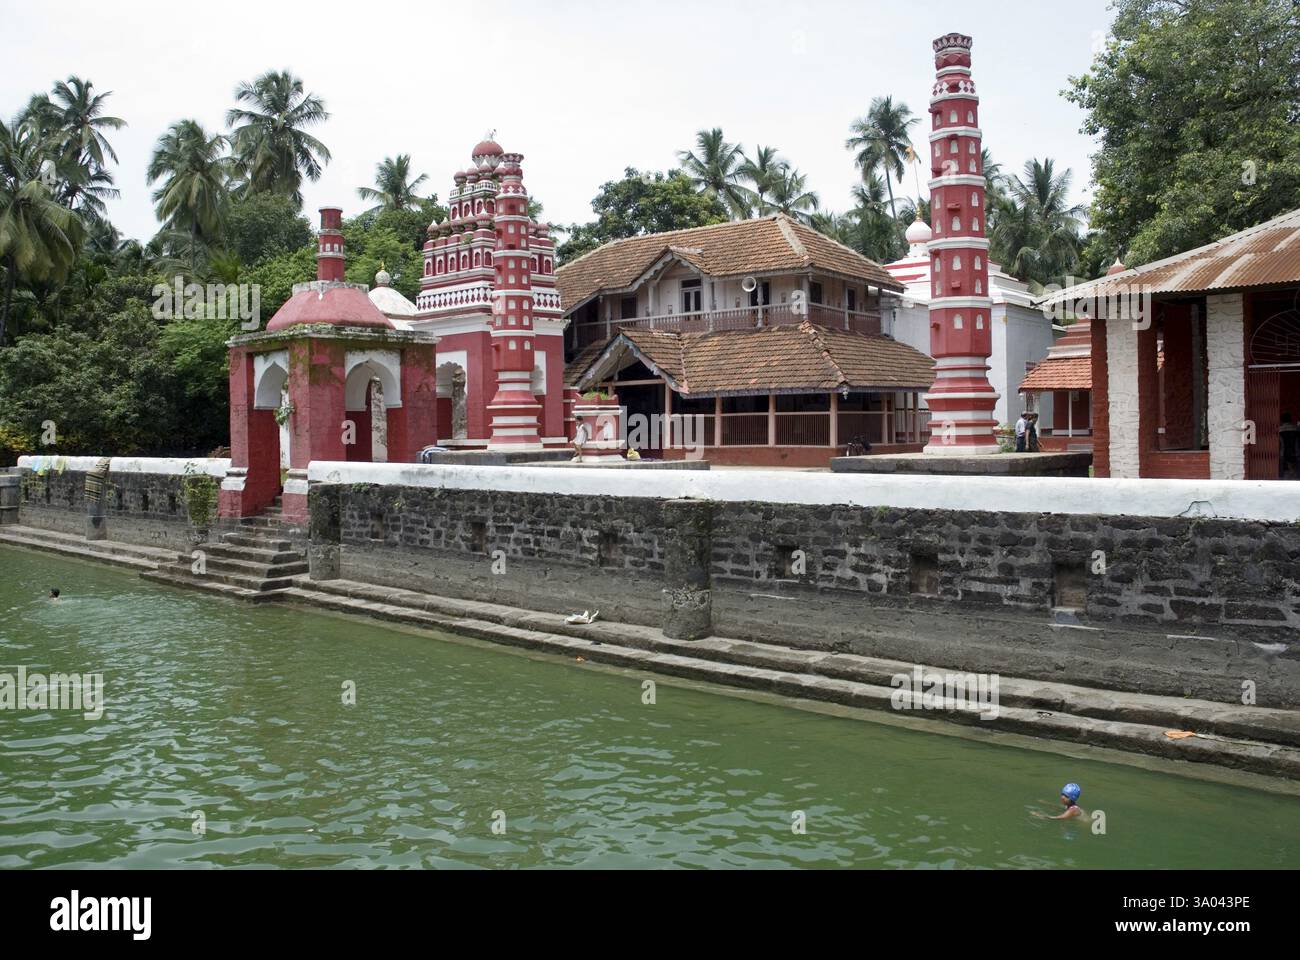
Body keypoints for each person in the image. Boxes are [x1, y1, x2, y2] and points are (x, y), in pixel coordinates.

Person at [1280, 413, 1299, 480]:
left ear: (1281, 420)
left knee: (1284, 470)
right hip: (1295, 452)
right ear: (1291, 420)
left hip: (1283, 452)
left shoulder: (1279, 429)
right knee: (1295, 468)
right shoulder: (1296, 429)